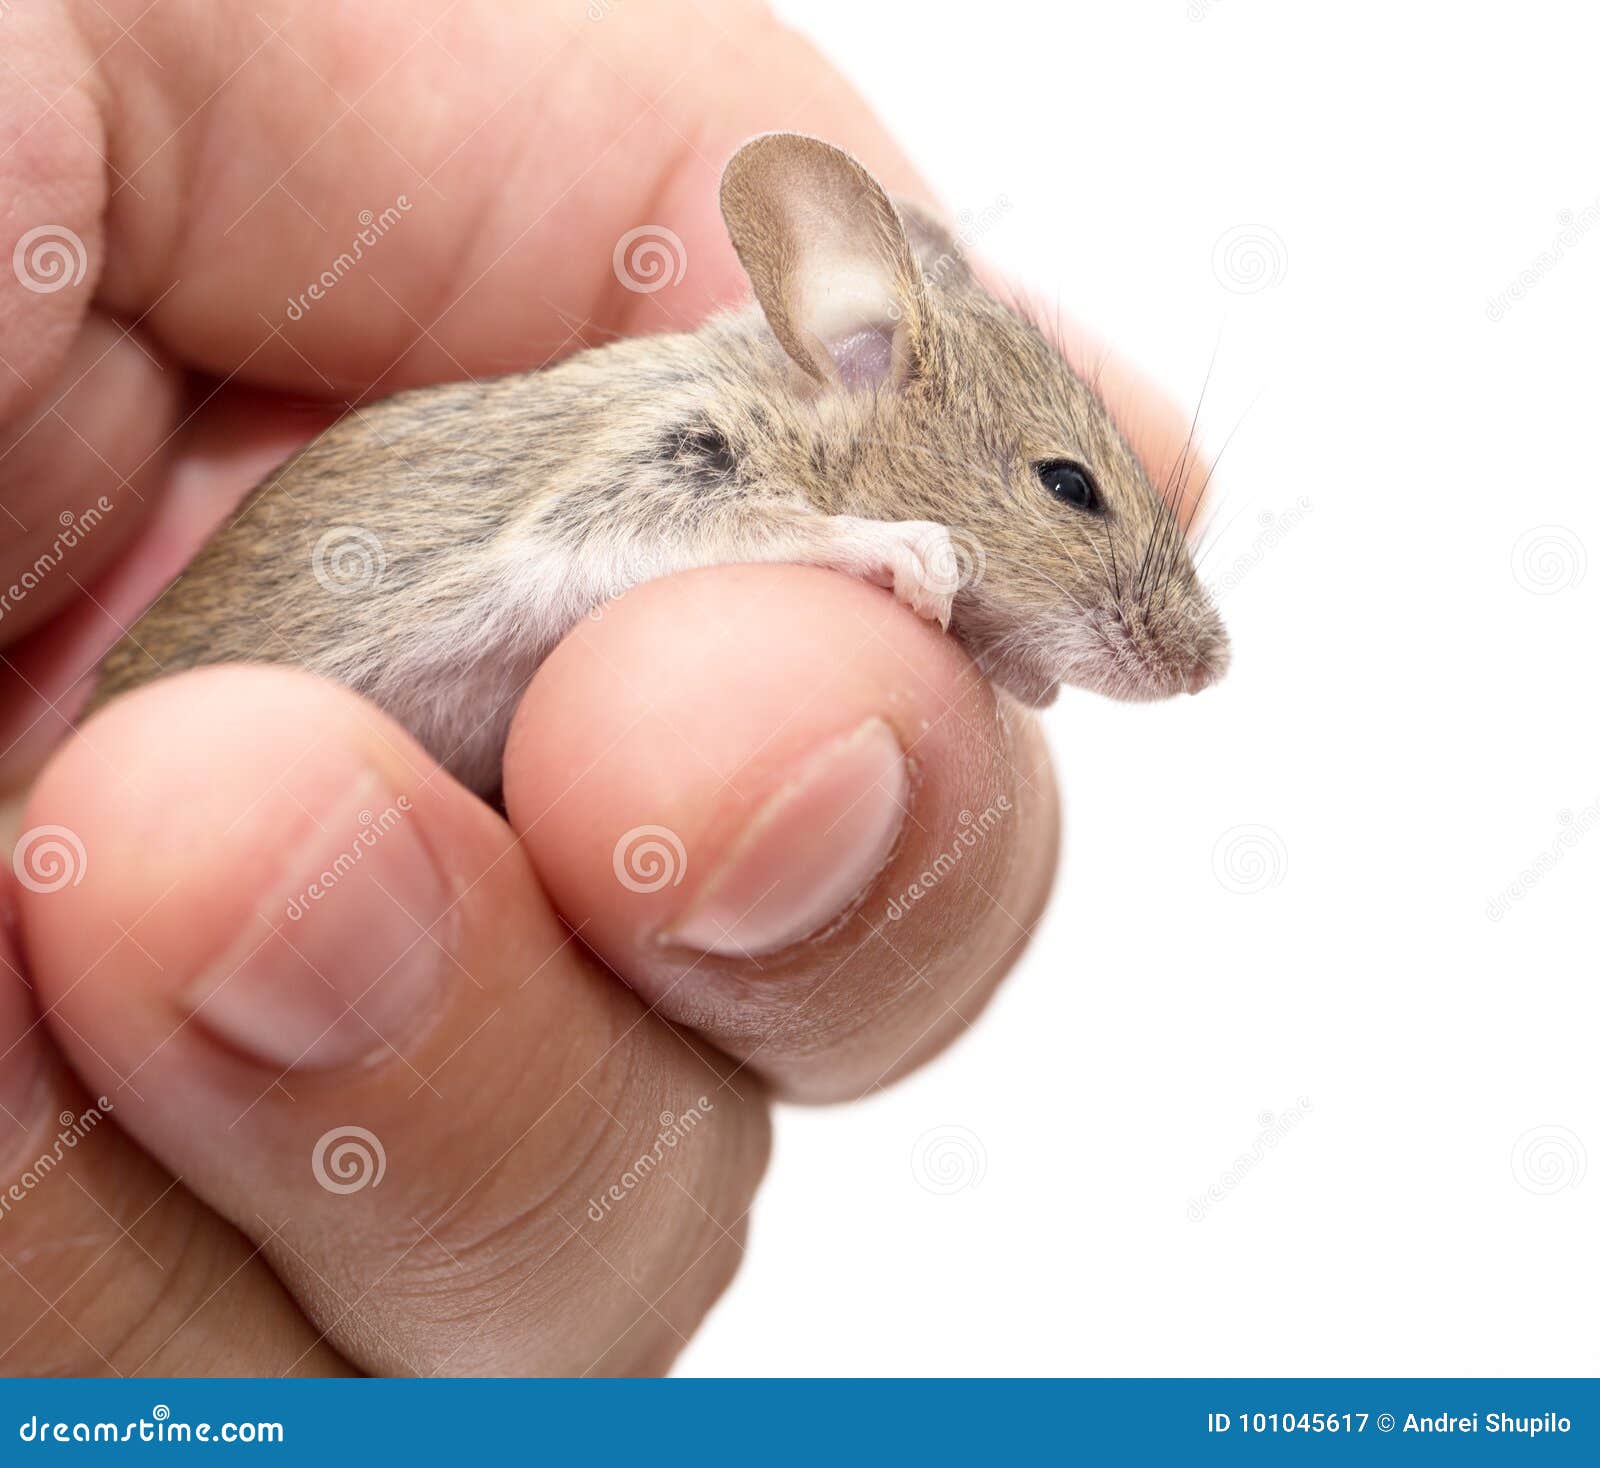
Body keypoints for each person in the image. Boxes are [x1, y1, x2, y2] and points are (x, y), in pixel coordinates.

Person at [0, 0, 1197, 1375]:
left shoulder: (841, 490)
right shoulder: (699, 428)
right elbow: (576, 549)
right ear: (856, 362)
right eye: (1068, 494)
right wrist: (835, 543)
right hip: (171, 739)